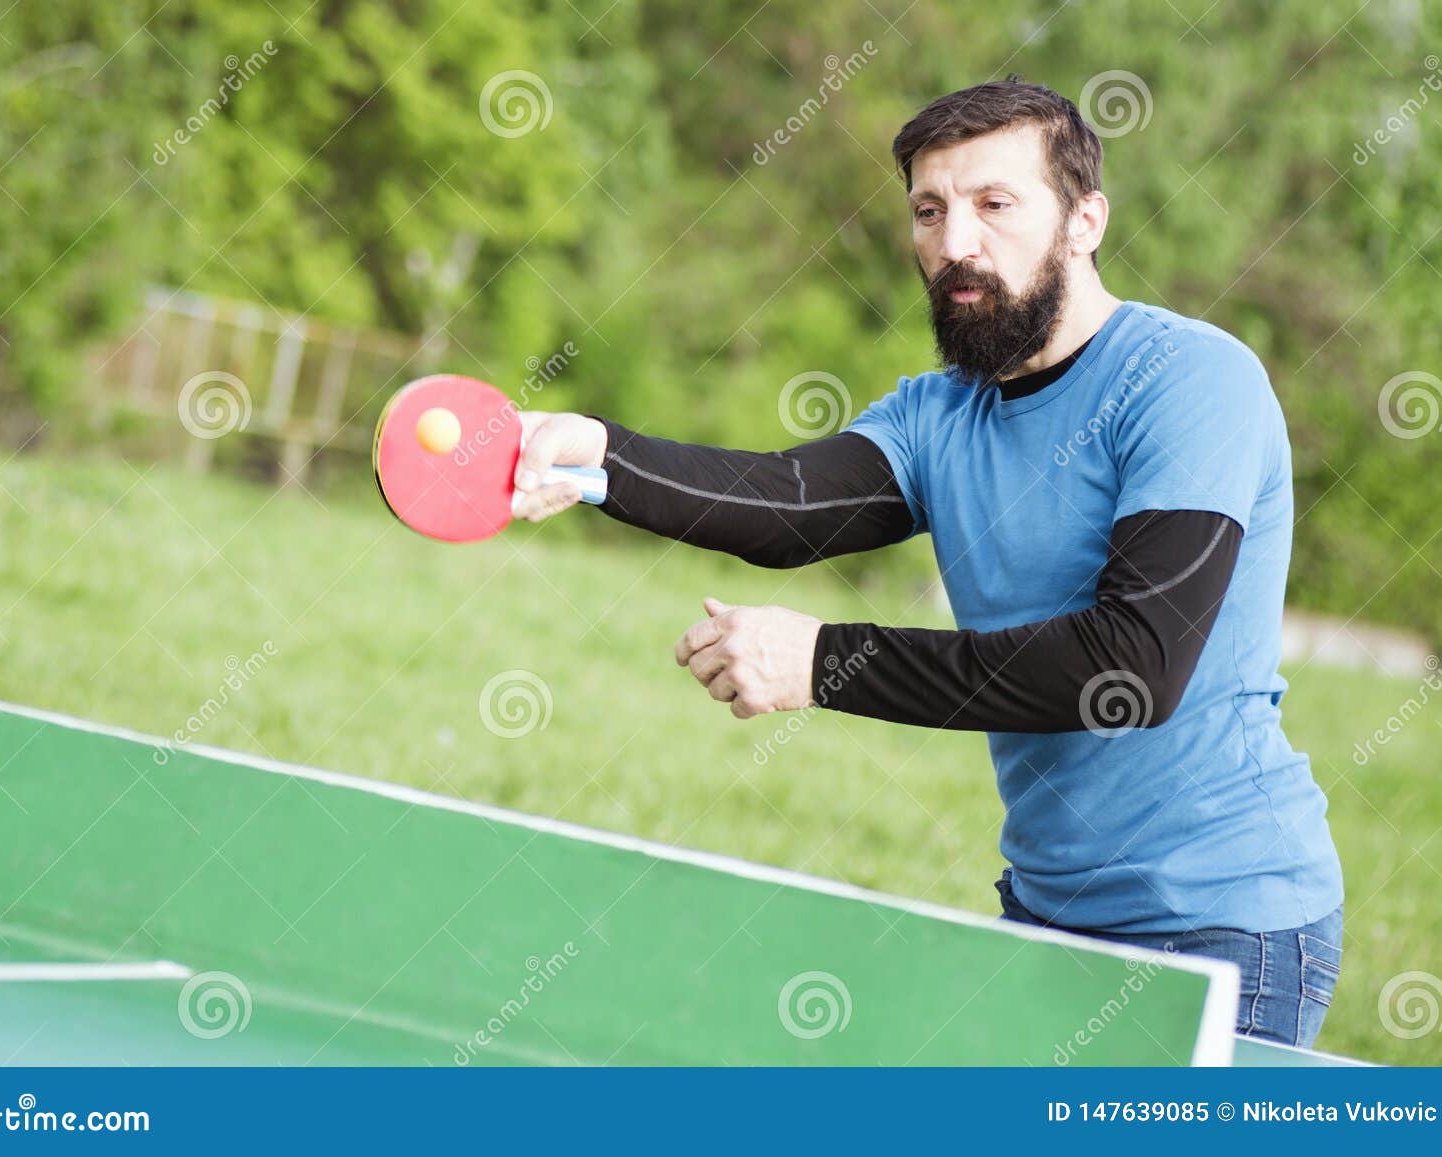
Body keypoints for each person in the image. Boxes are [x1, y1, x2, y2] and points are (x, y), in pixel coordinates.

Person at [508, 78, 1343, 1049]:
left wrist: (820, 661)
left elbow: (1130, 664)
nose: (955, 243)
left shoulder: (1192, 382)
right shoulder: (937, 415)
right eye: (929, 210)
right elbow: (787, 505)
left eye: (995, 204)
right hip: (1045, 907)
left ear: (1083, 221)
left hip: (1225, 922)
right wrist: (596, 453)